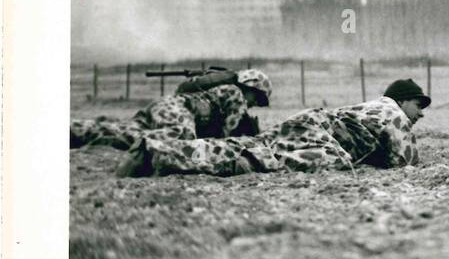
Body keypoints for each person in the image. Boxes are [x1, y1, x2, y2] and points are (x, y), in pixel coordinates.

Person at [115, 78, 429, 178]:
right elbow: (404, 162)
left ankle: (155, 150)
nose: (420, 114)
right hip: (323, 140)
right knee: (259, 161)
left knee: (248, 148)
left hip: (309, 123)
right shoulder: (392, 112)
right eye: (418, 105)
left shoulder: (371, 107)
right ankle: (159, 156)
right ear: (402, 100)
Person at [71, 69, 272, 150]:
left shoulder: (226, 91)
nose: (255, 104)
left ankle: (80, 130)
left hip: (167, 107)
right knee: (180, 135)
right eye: (257, 98)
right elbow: (226, 135)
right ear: (249, 86)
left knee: (128, 133)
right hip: (178, 108)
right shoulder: (235, 94)